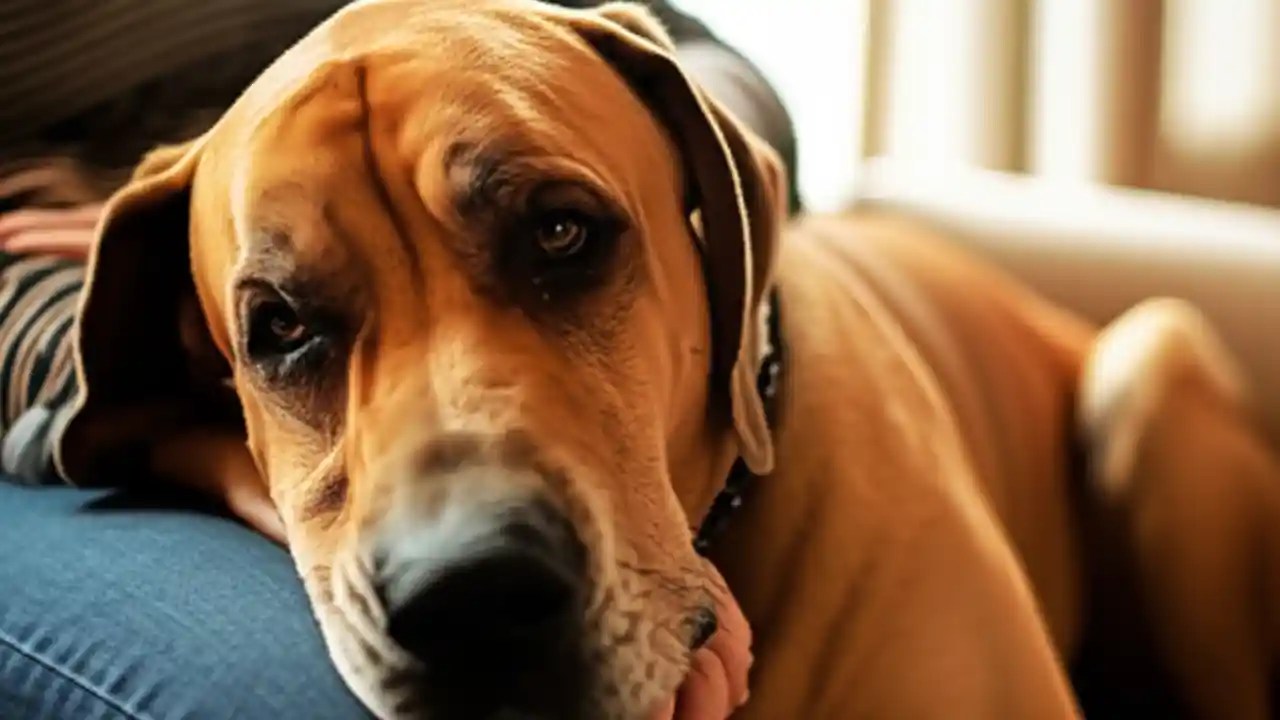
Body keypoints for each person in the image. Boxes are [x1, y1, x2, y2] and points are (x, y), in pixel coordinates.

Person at [0, 1, 800, 718]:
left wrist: (606, 133)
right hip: (49, 278)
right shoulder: (162, 281)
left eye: (561, 235)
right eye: (285, 326)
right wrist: (220, 452)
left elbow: (700, 58)